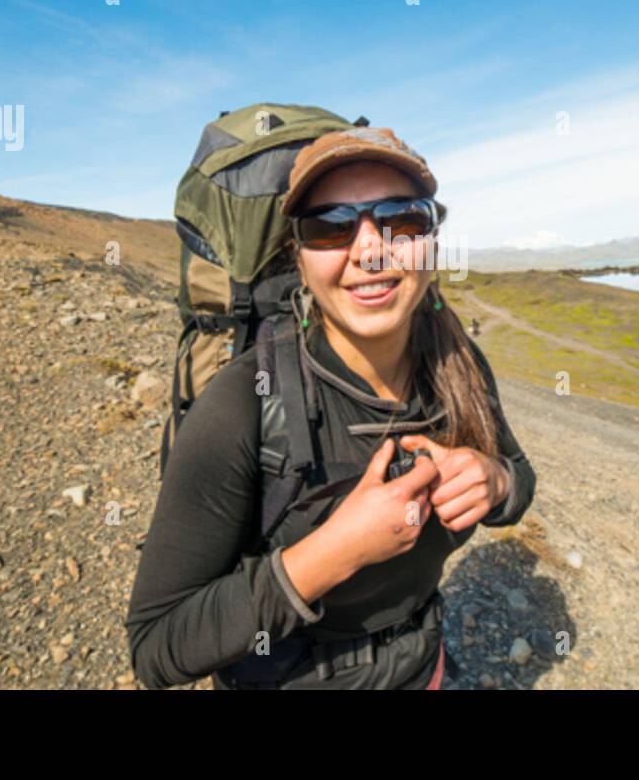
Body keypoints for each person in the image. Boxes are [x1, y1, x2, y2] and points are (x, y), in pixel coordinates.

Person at [125, 125, 536, 689]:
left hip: (422, 668)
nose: (370, 250)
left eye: (402, 219)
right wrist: (336, 550)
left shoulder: (458, 366)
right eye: (329, 227)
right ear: (298, 255)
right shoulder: (243, 405)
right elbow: (157, 643)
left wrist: (496, 483)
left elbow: (519, 477)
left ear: (432, 239)